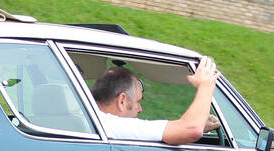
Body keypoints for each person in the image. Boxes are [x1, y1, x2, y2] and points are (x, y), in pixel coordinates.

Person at [91, 58, 222, 145]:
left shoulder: (87, 120)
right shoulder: (112, 125)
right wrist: (206, 85)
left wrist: (199, 122)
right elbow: (191, 129)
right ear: (122, 101)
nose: (140, 109)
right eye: (138, 102)